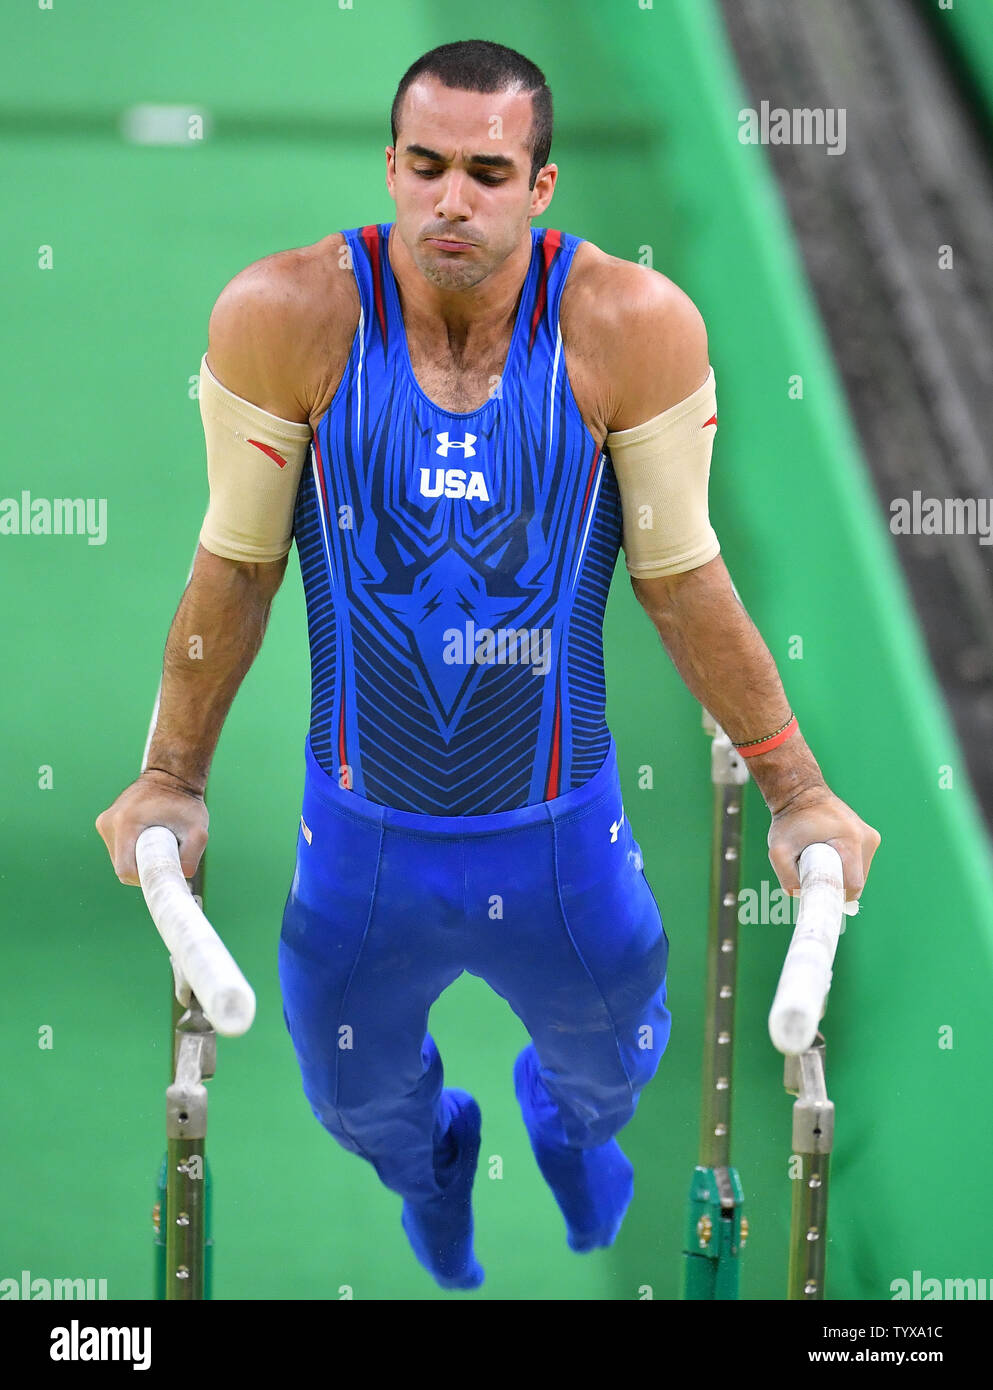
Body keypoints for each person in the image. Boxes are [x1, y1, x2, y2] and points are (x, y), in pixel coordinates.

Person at [95, 39, 881, 1292]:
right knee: (358, 1110)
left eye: (486, 170)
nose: (450, 198)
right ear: (390, 166)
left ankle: (566, 1127)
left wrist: (795, 788)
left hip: (561, 844)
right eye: (425, 164)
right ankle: (435, 1167)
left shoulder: (629, 328)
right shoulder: (288, 315)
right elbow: (238, 566)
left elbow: (679, 575)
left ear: (543, 185)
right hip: (361, 844)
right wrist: (171, 774)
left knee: (609, 1075)